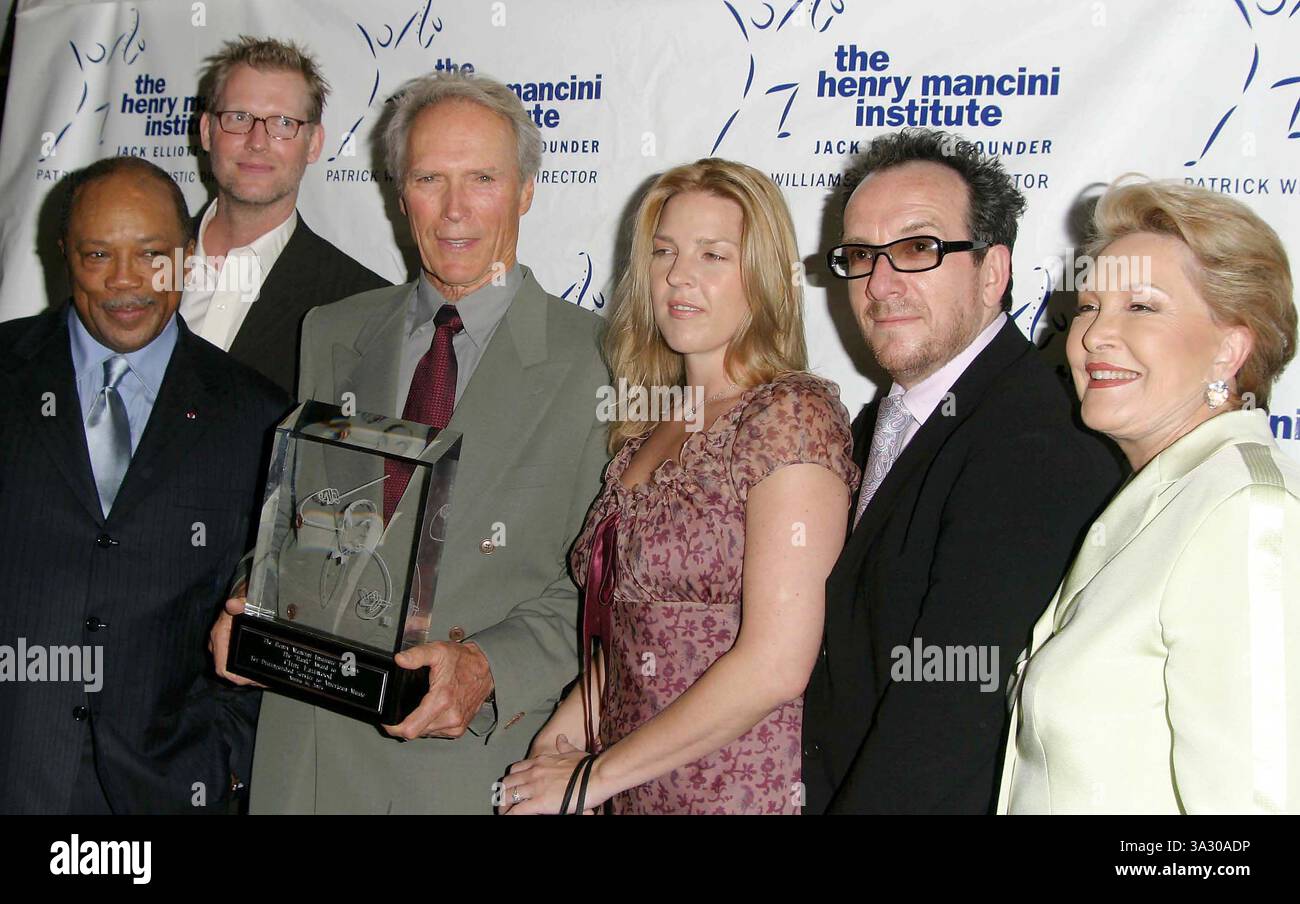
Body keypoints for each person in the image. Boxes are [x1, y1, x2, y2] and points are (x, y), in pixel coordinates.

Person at [210, 70, 609, 814]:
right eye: (429, 178)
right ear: (401, 196)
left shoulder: (602, 360)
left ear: (525, 190)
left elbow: (604, 592)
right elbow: (300, 518)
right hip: (308, 762)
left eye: (483, 178)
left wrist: (489, 665)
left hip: (463, 769)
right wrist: (252, 596)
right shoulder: (330, 330)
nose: (455, 210)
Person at [499, 159, 859, 815]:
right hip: (627, 790)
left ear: (762, 275)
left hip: (737, 794)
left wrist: (592, 777)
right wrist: (570, 721)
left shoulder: (788, 416)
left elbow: (776, 664)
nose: (678, 276)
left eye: (713, 255)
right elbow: (637, 626)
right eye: (663, 252)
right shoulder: (647, 431)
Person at [801, 129, 1124, 814]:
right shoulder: (878, 423)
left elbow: (947, 721)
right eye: (860, 255)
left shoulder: (1037, 441)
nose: (879, 283)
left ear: (992, 272)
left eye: (918, 248)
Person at [998, 179, 1300, 814]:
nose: (1093, 336)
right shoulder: (1162, 502)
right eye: (1088, 307)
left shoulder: (1244, 512)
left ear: (1230, 348)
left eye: (1141, 307)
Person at [0, 156, 289, 814]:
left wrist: (227, 761)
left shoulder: (259, 417)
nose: (125, 282)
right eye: (99, 254)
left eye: (152, 254)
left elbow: (272, 613)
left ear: (188, 257)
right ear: (62, 255)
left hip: (165, 791)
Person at [183, 36, 389, 394]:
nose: (257, 141)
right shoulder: (138, 263)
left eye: (282, 123)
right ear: (206, 131)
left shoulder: (362, 303)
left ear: (313, 143)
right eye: (238, 117)